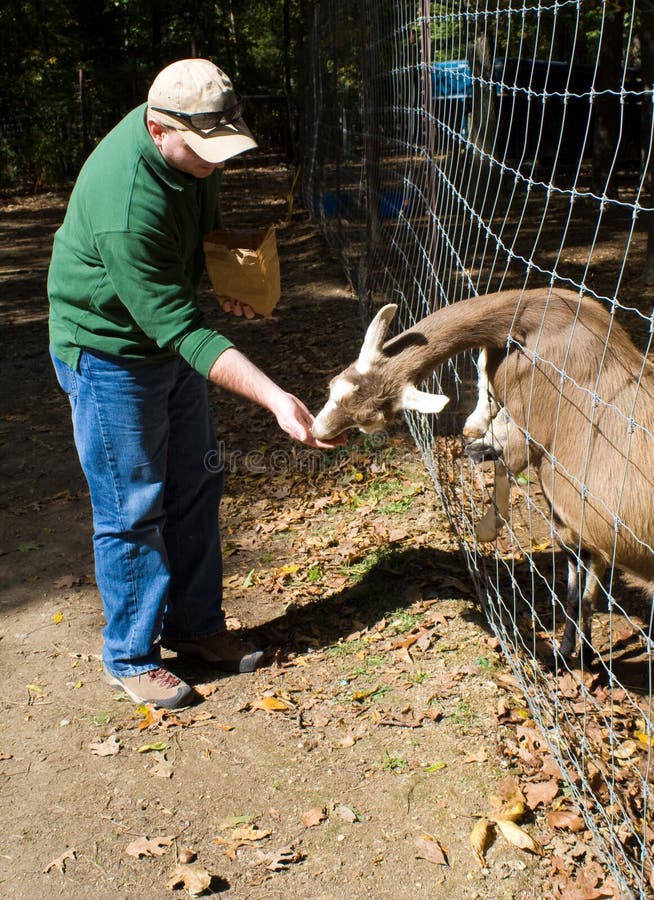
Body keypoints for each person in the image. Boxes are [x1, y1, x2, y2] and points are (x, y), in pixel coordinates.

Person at [48, 58, 341, 709]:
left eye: (221, 148)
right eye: (204, 150)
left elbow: (196, 235)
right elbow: (182, 330)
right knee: (132, 504)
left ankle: (195, 627)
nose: (215, 162)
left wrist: (228, 273)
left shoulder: (191, 157)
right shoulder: (125, 201)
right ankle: (129, 654)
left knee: (196, 477)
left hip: (159, 337)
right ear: (158, 130)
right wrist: (273, 397)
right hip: (108, 354)